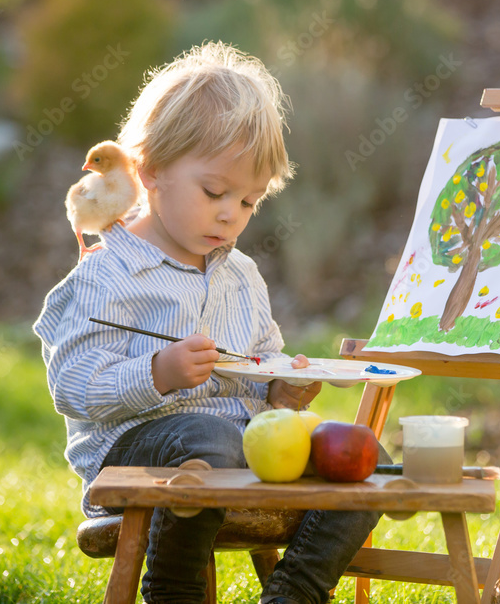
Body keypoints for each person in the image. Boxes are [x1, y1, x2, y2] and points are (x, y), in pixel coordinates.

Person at [33, 42, 390, 604]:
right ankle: (173, 589)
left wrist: (280, 388)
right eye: (215, 192)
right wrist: (160, 372)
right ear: (148, 171)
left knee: (364, 458)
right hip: (135, 454)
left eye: (250, 201)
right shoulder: (108, 273)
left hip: (238, 447)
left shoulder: (241, 274)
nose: (231, 214)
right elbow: (71, 385)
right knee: (209, 438)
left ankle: (294, 591)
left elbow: (258, 359)